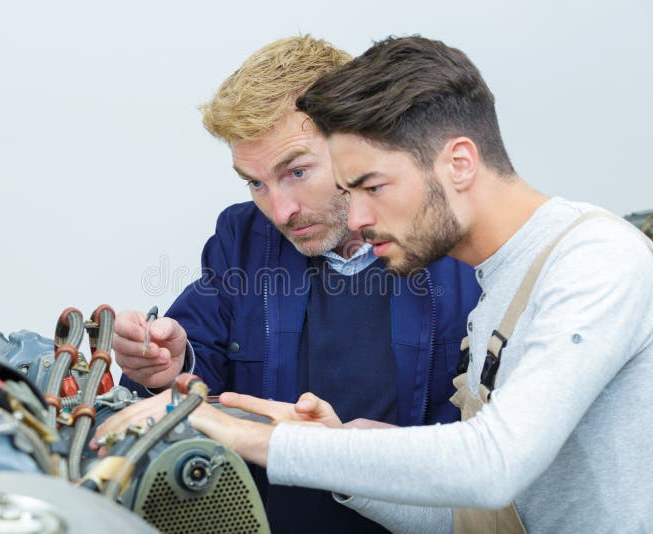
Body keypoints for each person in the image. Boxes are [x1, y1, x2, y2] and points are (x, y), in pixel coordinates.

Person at [101, 36, 653, 533]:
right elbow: (475, 515)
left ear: (457, 163)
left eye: (372, 186)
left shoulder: (596, 263)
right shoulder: (503, 275)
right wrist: (336, 451)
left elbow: (491, 464)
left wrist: (238, 432)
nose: (356, 217)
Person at [103, 36, 480, 532]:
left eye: (297, 171)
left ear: (356, 142)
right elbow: (194, 367)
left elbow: (492, 456)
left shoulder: (463, 255)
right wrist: (168, 363)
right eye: (255, 182)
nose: (280, 210)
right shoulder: (242, 239)